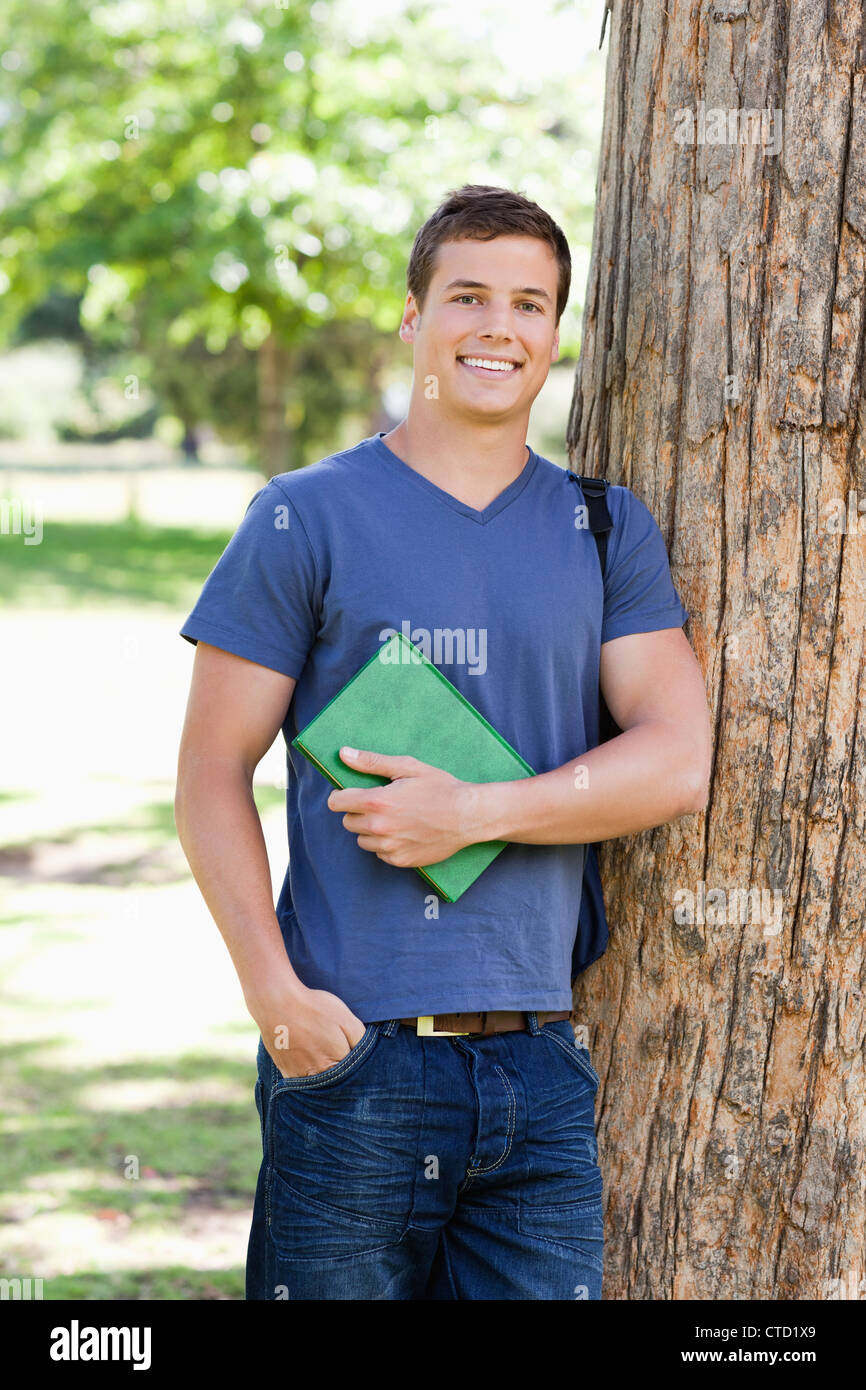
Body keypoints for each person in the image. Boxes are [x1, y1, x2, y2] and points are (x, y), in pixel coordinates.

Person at [174, 184, 712, 1300]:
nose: (497, 327)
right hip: (352, 1057)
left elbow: (673, 758)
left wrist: (471, 811)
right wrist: (276, 1000)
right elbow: (210, 773)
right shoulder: (303, 518)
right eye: (467, 295)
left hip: (540, 1065)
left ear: (552, 334)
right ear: (414, 316)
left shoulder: (603, 527)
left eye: (528, 303)